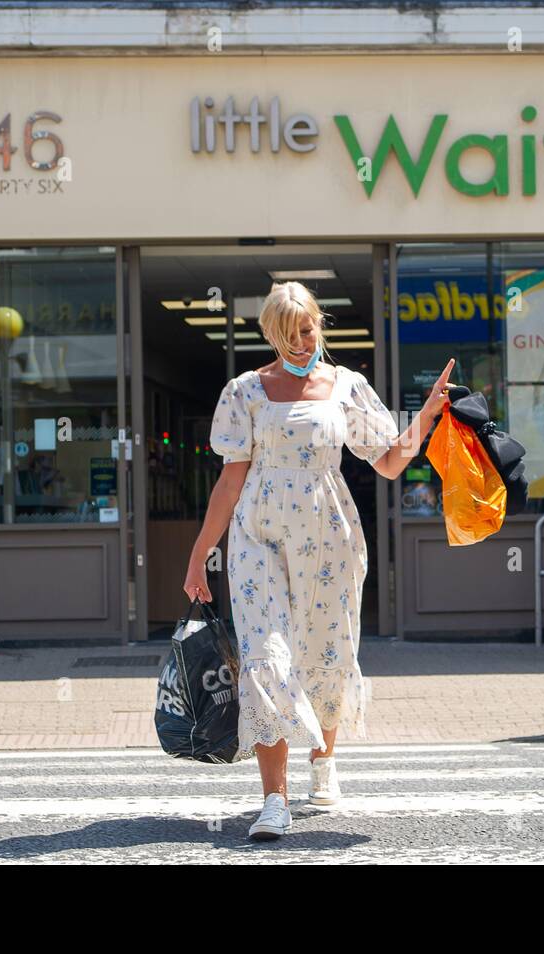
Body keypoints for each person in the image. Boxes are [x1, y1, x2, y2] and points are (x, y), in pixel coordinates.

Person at [183, 280, 455, 841]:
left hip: (329, 535)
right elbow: (230, 480)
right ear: (269, 335)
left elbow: (387, 461)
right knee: (266, 656)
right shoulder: (244, 391)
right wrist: (200, 553)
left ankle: (324, 761)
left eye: (306, 330)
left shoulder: (346, 387)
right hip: (257, 537)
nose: (300, 343)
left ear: (319, 324)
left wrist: (426, 414)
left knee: (323, 649)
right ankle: (273, 800)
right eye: (287, 335)